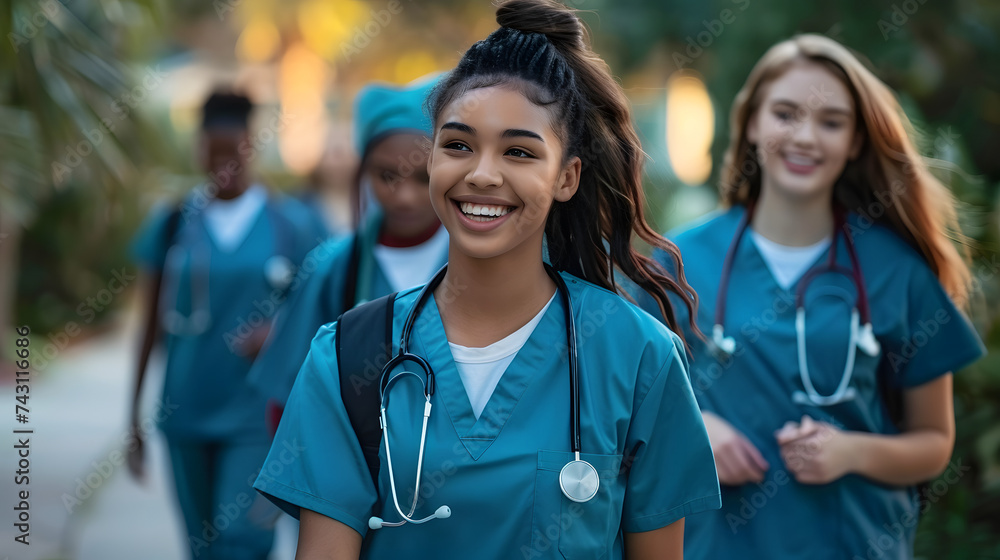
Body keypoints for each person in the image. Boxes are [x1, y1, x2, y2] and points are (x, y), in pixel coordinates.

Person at [252, 1, 721, 558]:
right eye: (457, 145)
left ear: (567, 177)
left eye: (519, 151)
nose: (481, 174)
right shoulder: (347, 357)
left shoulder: (638, 357)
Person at [638, 35, 985, 559]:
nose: (805, 137)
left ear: (856, 142)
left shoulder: (897, 273)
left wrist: (852, 452)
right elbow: (623, 407)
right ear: (752, 123)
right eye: (785, 114)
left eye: (831, 122)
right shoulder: (676, 265)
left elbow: (934, 444)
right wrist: (695, 429)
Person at [127, 91, 323, 559]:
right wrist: (132, 416)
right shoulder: (175, 223)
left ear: (251, 147)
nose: (223, 165)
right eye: (212, 153)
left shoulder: (292, 225)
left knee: (242, 540)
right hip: (185, 412)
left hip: (257, 417)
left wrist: (281, 332)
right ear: (199, 149)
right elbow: (149, 324)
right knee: (203, 546)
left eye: (233, 152)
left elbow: (327, 308)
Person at [246, 76, 448, 423]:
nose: (404, 196)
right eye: (387, 176)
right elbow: (287, 399)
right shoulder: (332, 268)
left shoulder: (484, 262)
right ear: (363, 173)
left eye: (424, 178)